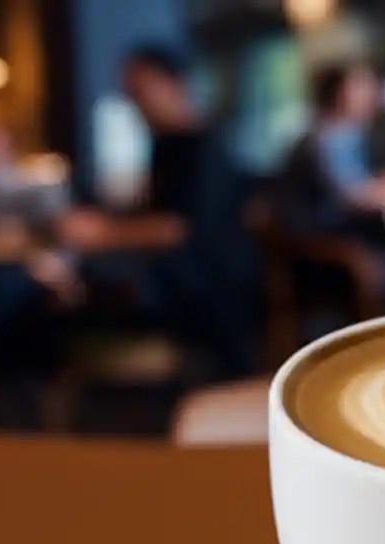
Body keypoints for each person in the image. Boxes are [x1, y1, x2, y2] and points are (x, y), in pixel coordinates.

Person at [57, 45, 258, 380]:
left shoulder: (202, 146)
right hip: (179, 285)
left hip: (202, 294)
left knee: (48, 319)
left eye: (140, 91)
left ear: (175, 84)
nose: (133, 101)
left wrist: (102, 232)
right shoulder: (168, 144)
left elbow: (178, 228)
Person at [275, 62, 385, 310]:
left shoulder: (347, 134)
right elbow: (351, 196)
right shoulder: (326, 139)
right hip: (326, 254)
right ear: (339, 93)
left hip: (350, 241)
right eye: (361, 85)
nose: (371, 93)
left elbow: (362, 184)